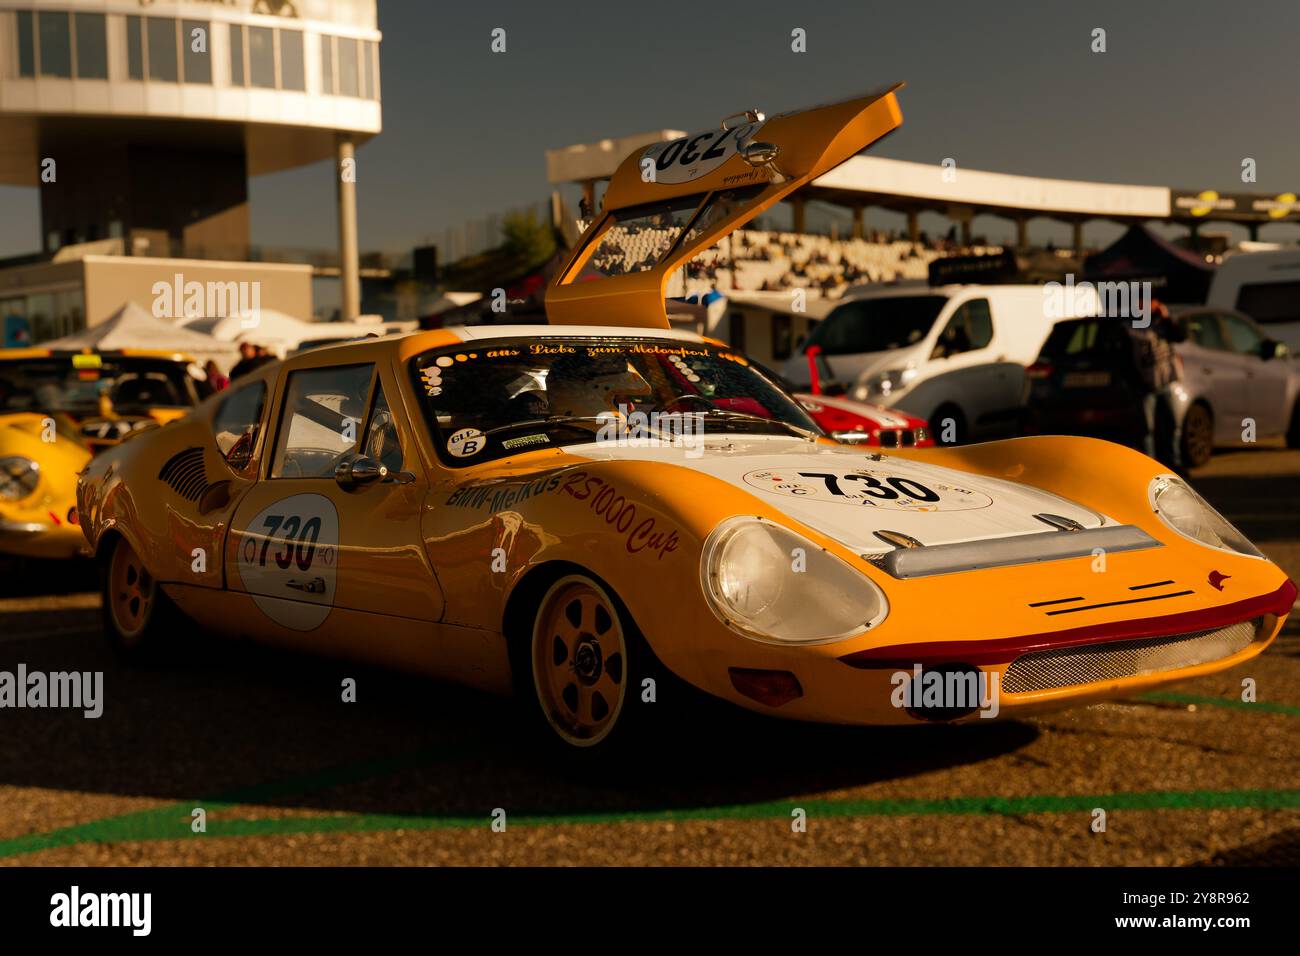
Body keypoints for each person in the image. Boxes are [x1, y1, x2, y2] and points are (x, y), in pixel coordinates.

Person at [1126, 299, 1185, 470]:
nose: (1146, 305)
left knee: (1173, 424)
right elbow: (1124, 357)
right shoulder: (1130, 327)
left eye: (1150, 302)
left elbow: (1180, 336)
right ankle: (1149, 466)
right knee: (1147, 430)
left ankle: (1174, 463)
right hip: (1144, 385)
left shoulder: (1161, 323)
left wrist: (1165, 317)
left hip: (1166, 382)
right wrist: (1135, 380)